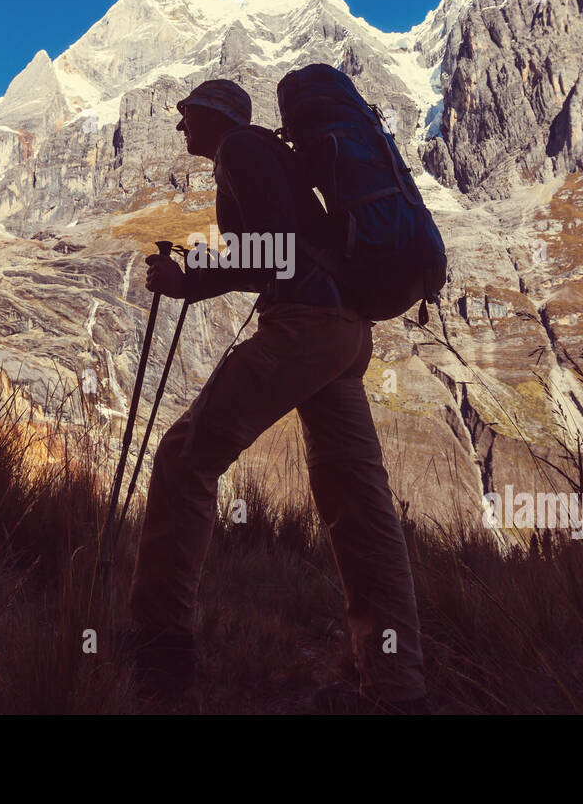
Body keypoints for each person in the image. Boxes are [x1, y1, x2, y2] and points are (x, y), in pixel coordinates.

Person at [127, 77, 429, 713]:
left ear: (215, 117)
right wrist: (199, 276)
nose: (181, 127)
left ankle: (160, 654)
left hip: (305, 328)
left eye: (188, 115)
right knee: (358, 503)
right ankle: (397, 687)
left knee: (184, 459)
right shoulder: (268, 154)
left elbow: (273, 253)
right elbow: (280, 247)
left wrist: (189, 279)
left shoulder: (241, 150)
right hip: (344, 333)